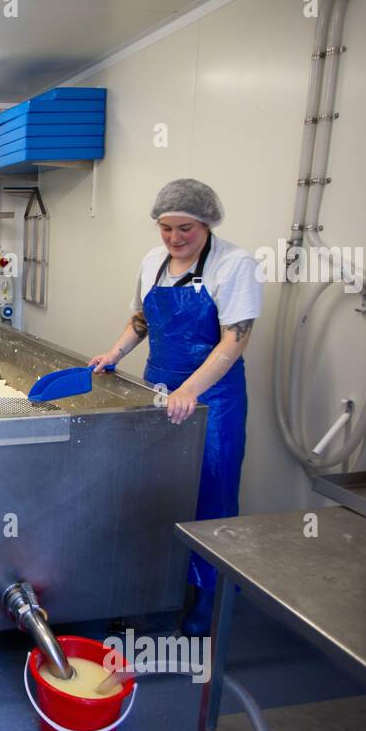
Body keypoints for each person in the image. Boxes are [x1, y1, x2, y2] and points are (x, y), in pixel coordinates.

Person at [88, 179, 262, 636]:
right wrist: (115, 353)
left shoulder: (234, 263)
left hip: (213, 399)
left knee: (210, 494)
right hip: (158, 389)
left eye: (185, 228)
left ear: (206, 223)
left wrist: (191, 390)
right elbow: (141, 318)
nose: (174, 238)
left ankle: (207, 606)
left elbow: (235, 340)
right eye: (166, 228)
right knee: (156, 492)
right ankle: (151, 589)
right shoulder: (152, 261)